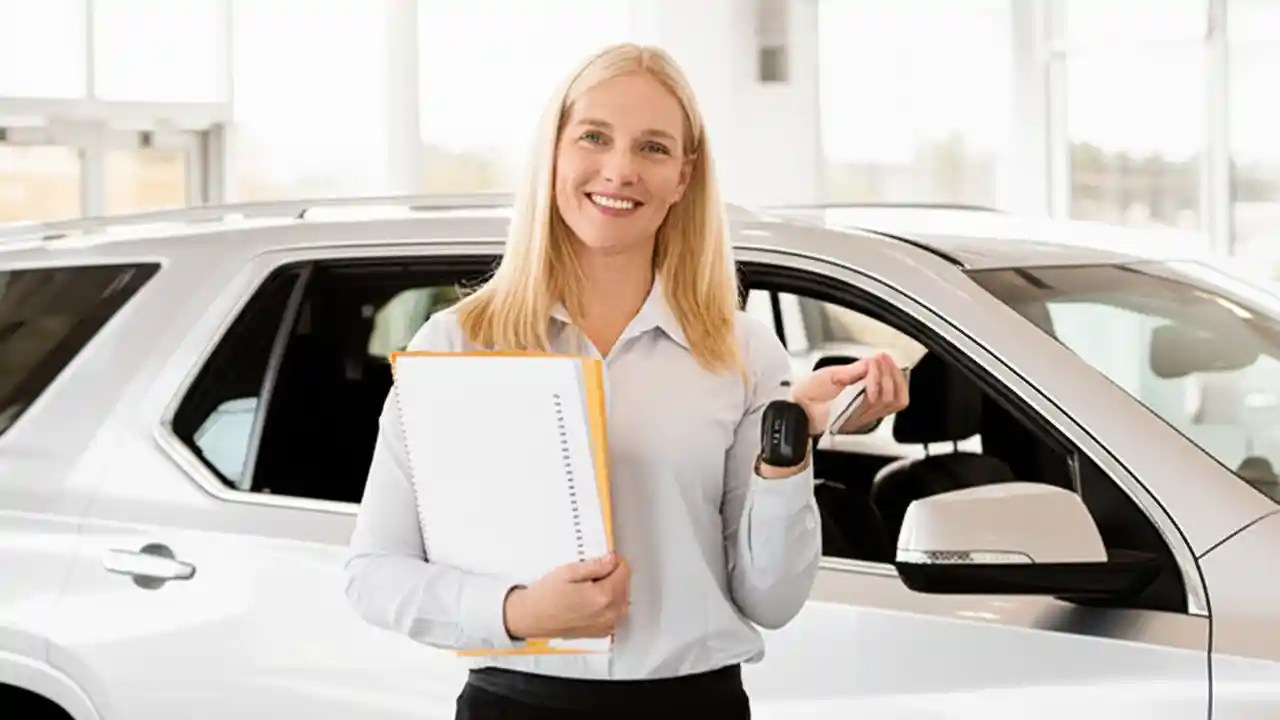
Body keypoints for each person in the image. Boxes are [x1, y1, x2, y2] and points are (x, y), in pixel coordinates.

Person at [344, 42, 909, 719]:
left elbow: (771, 600)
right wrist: (521, 611)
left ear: (684, 177)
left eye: (653, 148)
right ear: (554, 151)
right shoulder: (458, 344)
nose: (619, 170)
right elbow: (374, 575)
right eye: (594, 136)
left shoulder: (743, 352)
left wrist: (789, 444)